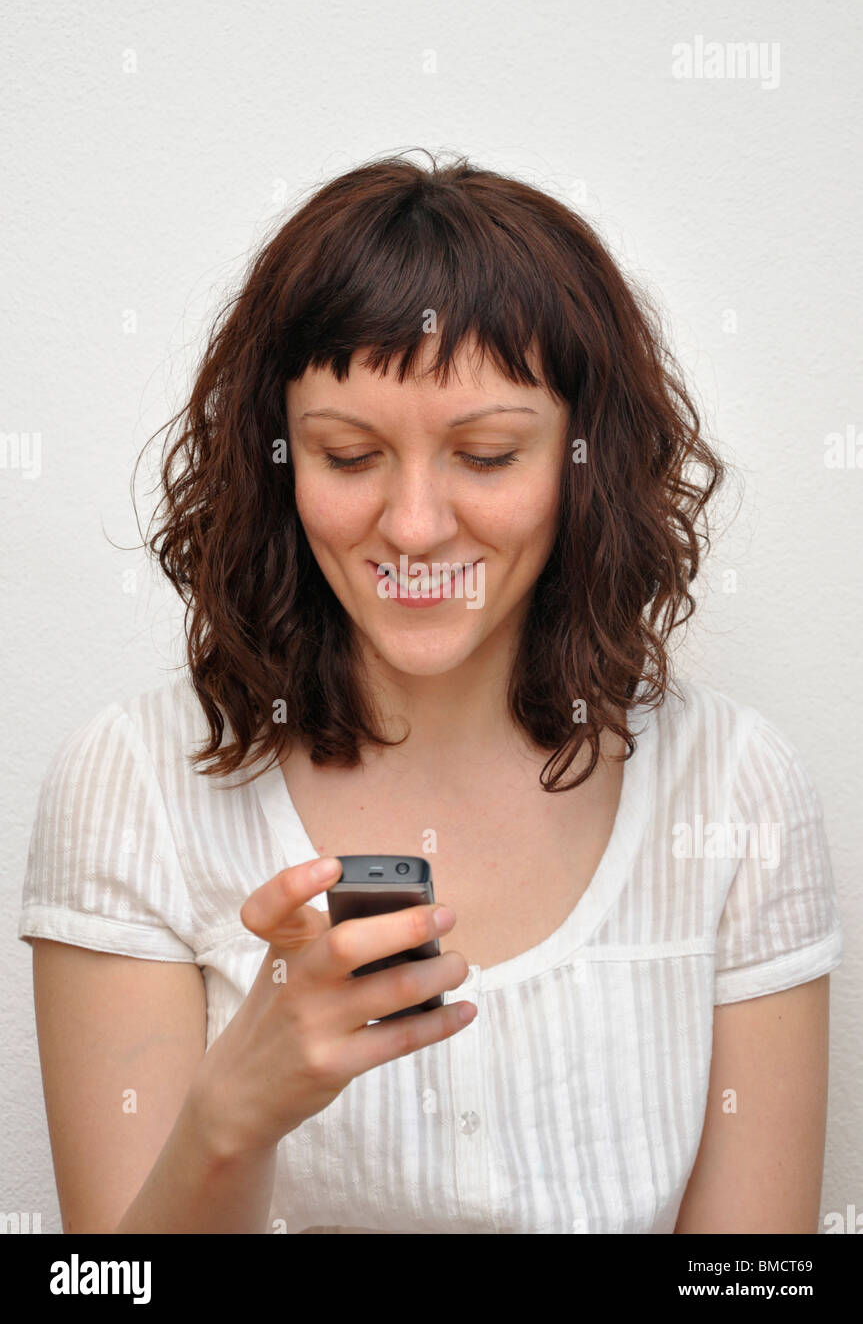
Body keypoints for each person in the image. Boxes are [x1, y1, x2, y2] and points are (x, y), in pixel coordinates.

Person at [19, 151, 843, 1234]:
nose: (412, 525)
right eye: (349, 455)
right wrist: (231, 1116)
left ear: (583, 464)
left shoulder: (733, 789)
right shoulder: (128, 783)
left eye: (488, 455)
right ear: (276, 463)